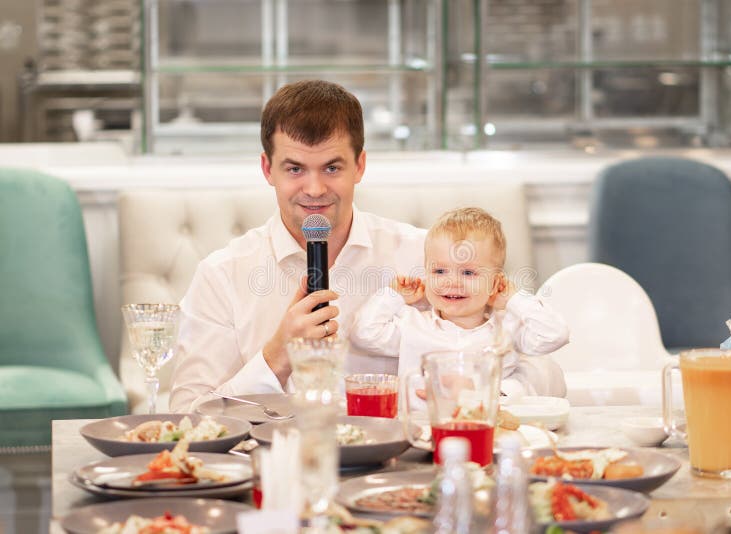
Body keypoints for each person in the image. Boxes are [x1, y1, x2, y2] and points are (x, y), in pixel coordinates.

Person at [169, 80, 426, 413]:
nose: (315, 189)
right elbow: (187, 418)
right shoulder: (221, 275)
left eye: (332, 168)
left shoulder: (422, 256)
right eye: (295, 169)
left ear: (359, 166)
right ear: (268, 169)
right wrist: (277, 356)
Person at [350, 207, 568, 402]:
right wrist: (393, 296)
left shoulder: (507, 329)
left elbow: (554, 335)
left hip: (487, 427)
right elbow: (365, 334)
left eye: (468, 272)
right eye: (439, 271)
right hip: (421, 428)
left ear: (495, 283)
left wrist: (513, 298)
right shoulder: (412, 324)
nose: (452, 282)